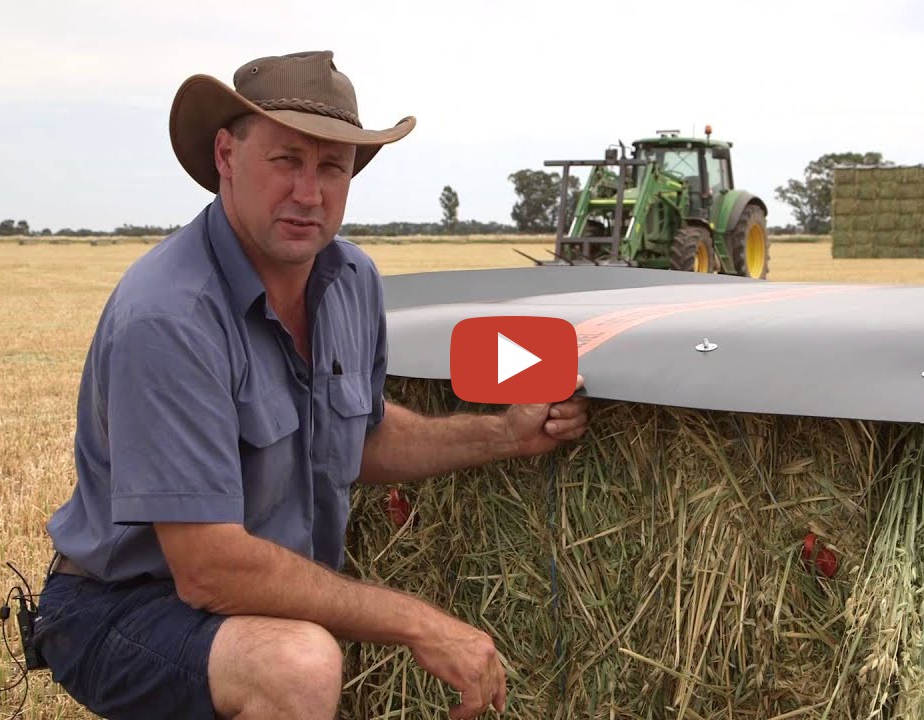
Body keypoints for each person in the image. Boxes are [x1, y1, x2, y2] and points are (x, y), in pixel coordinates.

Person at [31, 50, 590, 720]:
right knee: (298, 666)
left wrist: (502, 434)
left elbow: (358, 437)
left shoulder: (351, 281)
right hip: (121, 605)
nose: (308, 191)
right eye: (286, 160)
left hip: (241, 603)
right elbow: (210, 569)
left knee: (301, 647)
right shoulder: (172, 316)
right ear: (226, 156)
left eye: (332, 167)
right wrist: (420, 622)